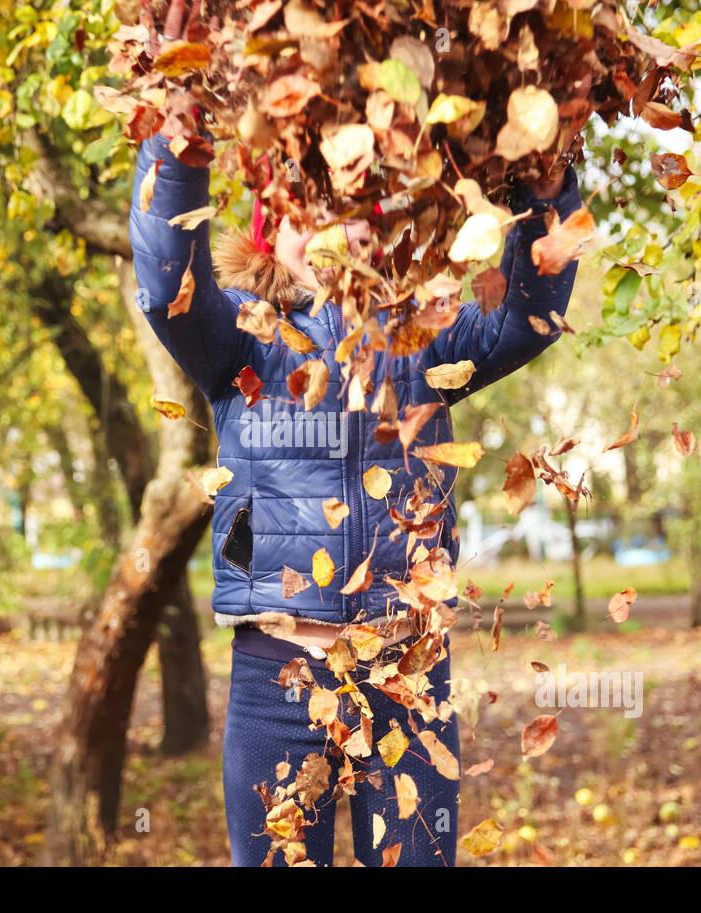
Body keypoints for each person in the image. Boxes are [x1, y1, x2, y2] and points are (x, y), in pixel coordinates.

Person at [129, 61, 581, 871]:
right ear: (278, 226)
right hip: (278, 680)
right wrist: (179, 132)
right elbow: (168, 279)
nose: (341, 229)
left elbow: (532, 317)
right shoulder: (238, 340)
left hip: (408, 675)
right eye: (316, 210)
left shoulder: (427, 336)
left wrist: (542, 178)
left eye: (359, 210)